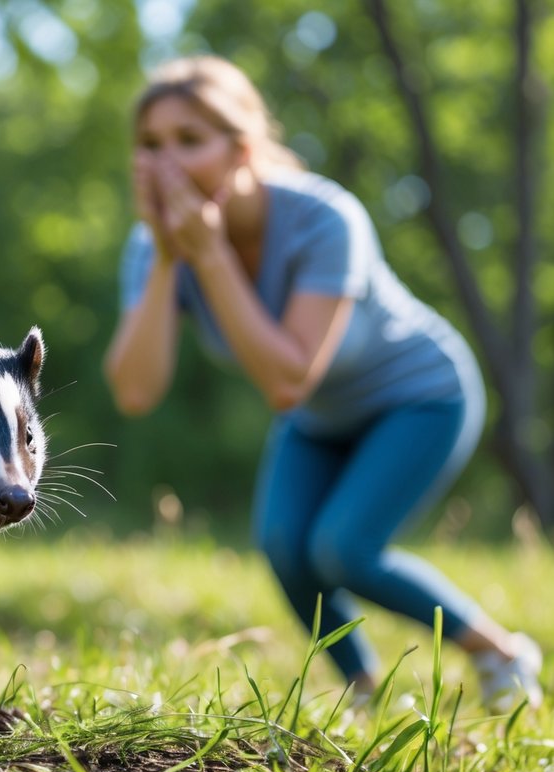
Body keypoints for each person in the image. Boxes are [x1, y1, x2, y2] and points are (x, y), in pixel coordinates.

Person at [103, 54, 542, 712]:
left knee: (343, 548)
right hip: (321, 415)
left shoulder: (323, 219)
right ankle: (365, 693)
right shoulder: (154, 247)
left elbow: (286, 380)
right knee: (285, 546)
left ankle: (501, 654)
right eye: (149, 145)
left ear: (242, 149)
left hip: (418, 395)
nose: (166, 164)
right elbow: (134, 391)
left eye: (188, 142)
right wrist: (169, 260)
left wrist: (211, 256)